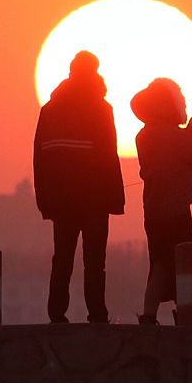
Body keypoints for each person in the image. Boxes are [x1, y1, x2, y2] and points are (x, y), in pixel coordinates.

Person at [32, 50, 124, 323]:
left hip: (60, 200)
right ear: (94, 72)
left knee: (62, 258)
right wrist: (115, 199)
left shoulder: (49, 110)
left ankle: (56, 313)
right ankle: (97, 313)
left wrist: (44, 200)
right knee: (95, 260)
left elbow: (39, 158)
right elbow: (109, 156)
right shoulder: (101, 108)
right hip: (94, 199)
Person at [131, 77, 192, 325]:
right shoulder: (175, 137)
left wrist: (186, 135)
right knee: (184, 264)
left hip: (153, 212)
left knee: (159, 264)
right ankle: (187, 316)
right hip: (177, 211)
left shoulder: (144, 135)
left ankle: (149, 315)